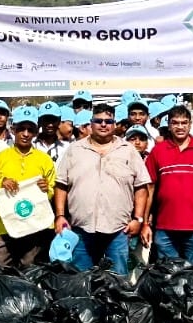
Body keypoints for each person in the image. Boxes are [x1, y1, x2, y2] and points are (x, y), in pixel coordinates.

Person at [56, 103, 150, 274]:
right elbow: (61, 185)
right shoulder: (74, 150)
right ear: (91, 124)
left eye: (108, 121)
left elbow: (141, 187)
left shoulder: (128, 150)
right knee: (81, 280)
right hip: (81, 229)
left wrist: (138, 219)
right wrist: (60, 215)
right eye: (98, 121)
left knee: (117, 281)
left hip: (118, 230)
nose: (103, 124)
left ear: (114, 124)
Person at [144, 105, 193, 265]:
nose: (180, 127)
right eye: (175, 123)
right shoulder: (158, 151)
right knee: (168, 279)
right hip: (164, 228)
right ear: (169, 125)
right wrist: (145, 223)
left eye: (184, 123)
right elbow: (149, 189)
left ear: (190, 124)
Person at [0, 107, 58, 268]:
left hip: (34, 228)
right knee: (0, 275)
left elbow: (52, 192)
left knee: (30, 275)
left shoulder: (44, 160)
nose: (25, 134)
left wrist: (46, 190)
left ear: (36, 132)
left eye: (30, 130)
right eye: (21, 129)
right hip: (3, 228)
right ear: (13, 130)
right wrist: (0, 184)